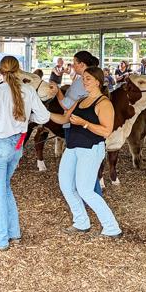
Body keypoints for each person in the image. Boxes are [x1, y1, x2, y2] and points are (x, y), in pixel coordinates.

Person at [0, 56, 50, 251]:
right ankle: (14, 232)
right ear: (18, 70)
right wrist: (28, 119)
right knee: (5, 186)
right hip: (17, 145)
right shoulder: (28, 91)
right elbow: (44, 116)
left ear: (0, 71)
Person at [49, 66, 122, 238]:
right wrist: (43, 114)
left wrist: (84, 123)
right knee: (66, 185)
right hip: (72, 147)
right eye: (83, 78)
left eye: (88, 78)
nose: (84, 81)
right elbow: (64, 118)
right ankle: (81, 222)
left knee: (85, 190)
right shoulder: (81, 100)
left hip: (90, 149)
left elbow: (106, 131)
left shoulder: (104, 103)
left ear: (98, 81)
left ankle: (112, 227)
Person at [56, 51, 103, 196]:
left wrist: (57, 91)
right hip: (83, 125)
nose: (73, 65)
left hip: (76, 126)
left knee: (83, 166)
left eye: (75, 62)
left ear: (82, 64)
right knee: (87, 166)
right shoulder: (84, 80)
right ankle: (90, 194)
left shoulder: (80, 83)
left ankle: (91, 195)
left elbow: (66, 105)